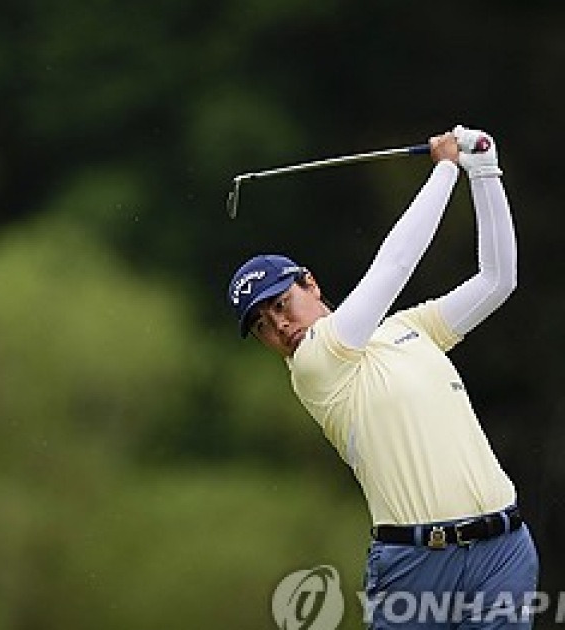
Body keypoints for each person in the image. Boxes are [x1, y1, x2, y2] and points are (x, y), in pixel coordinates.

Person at [227, 126, 538, 629]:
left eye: (281, 305)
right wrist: (444, 169)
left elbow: (497, 281)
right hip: (416, 564)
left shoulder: (407, 329)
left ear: (311, 284)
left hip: (502, 551)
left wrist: (484, 172)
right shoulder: (313, 366)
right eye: (261, 326)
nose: (280, 326)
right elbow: (392, 266)